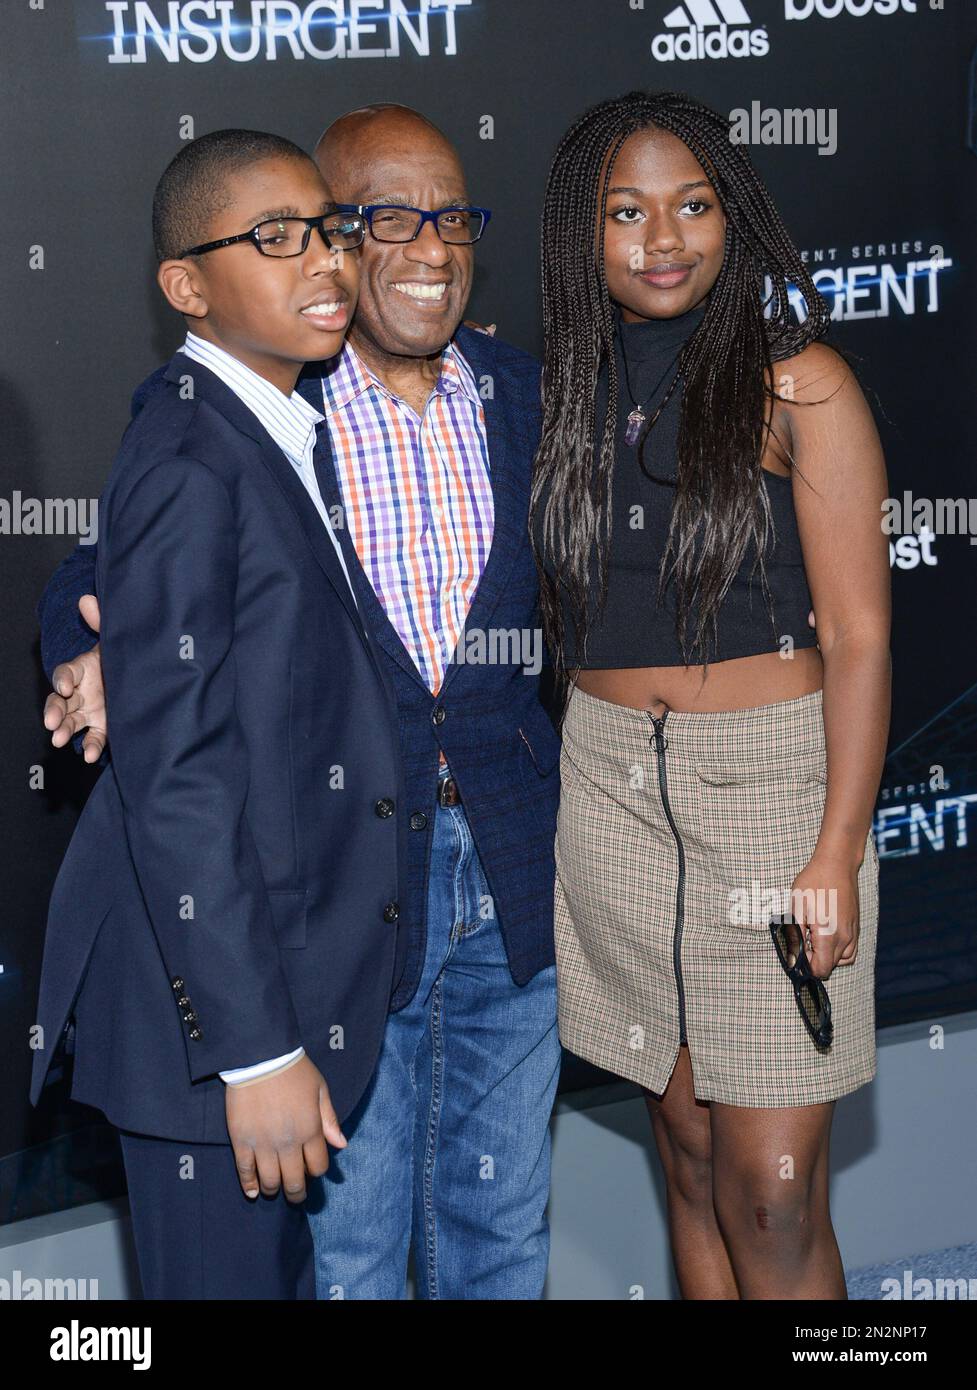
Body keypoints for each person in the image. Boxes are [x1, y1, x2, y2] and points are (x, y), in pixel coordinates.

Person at [38, 105, 562, 1300]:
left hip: (511, 864)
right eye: (379, 219)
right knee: (347, 1242)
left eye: (452, 218)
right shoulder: (271, 394)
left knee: (501, 1221)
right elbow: (123, 549)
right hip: (336, 889)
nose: (424, 249)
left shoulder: (523, 395)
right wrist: (104, 644)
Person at [31, 129, 405, 1299]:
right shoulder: (195, 452)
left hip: (281, 985)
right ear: (187, 287)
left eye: (331, 231)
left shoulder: (267, 424)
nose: (325, 263)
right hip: (215, 1036)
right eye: (276, 238)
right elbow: (178, 773)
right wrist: (254, 1050)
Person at [530, 91, 891, 1300]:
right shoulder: (547, 395)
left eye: (690, 205)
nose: (662, 238)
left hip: (771, 799)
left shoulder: (803, 385)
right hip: (609, 795)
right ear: (583, 233)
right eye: (624, 211)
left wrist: (835, 846)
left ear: (730, 215)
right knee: (685, 1156)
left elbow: (856, 633)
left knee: (773, 1189)